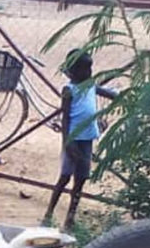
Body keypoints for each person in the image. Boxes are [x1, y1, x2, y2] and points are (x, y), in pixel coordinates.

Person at [43, 49, 116, 230]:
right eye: (85, 70)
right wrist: (67, 143)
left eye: (90, 69)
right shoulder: (69, 90)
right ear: (73, 72)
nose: (89, 73)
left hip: (87, 139)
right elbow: (66, 118)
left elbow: (106, 92)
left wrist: (121, 95)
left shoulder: (90, 85)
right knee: (65, 177)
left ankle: (70, 217)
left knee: (81, 179)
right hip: (73, 140)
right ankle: (49, 213)